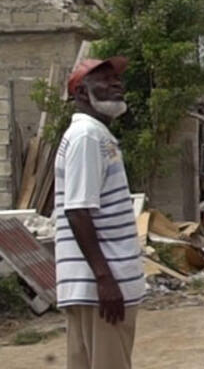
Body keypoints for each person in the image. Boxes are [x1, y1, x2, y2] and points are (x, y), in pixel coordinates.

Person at [55, 56, 146, 369]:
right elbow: (78, 210)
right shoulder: (87, 137)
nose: (118, 84)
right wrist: (105, 279)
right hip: (101, 289)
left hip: (93, 287)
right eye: (106, 81)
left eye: (117, 79)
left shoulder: (95, 135)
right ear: (82, 93)